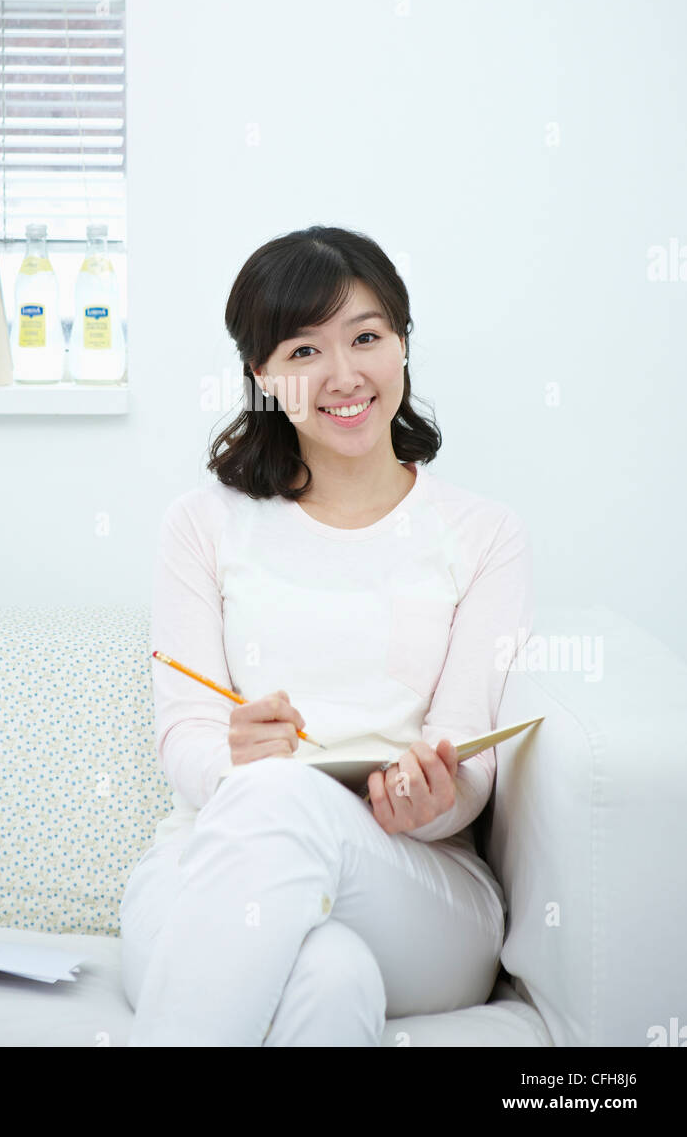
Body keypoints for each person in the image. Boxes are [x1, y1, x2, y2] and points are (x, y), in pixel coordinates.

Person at [120, 224, 533, 1046]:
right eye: (303, 352)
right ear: (262, 378)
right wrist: (233, 757)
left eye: (367, 338)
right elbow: (186, 735)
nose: (343, 376)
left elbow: (472, 760)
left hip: (418, 882)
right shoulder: (203, 526)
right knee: (330, 974)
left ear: (404, 345)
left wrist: (436, 802)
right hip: (218, 857)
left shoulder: (485, 534)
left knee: (282, 798)